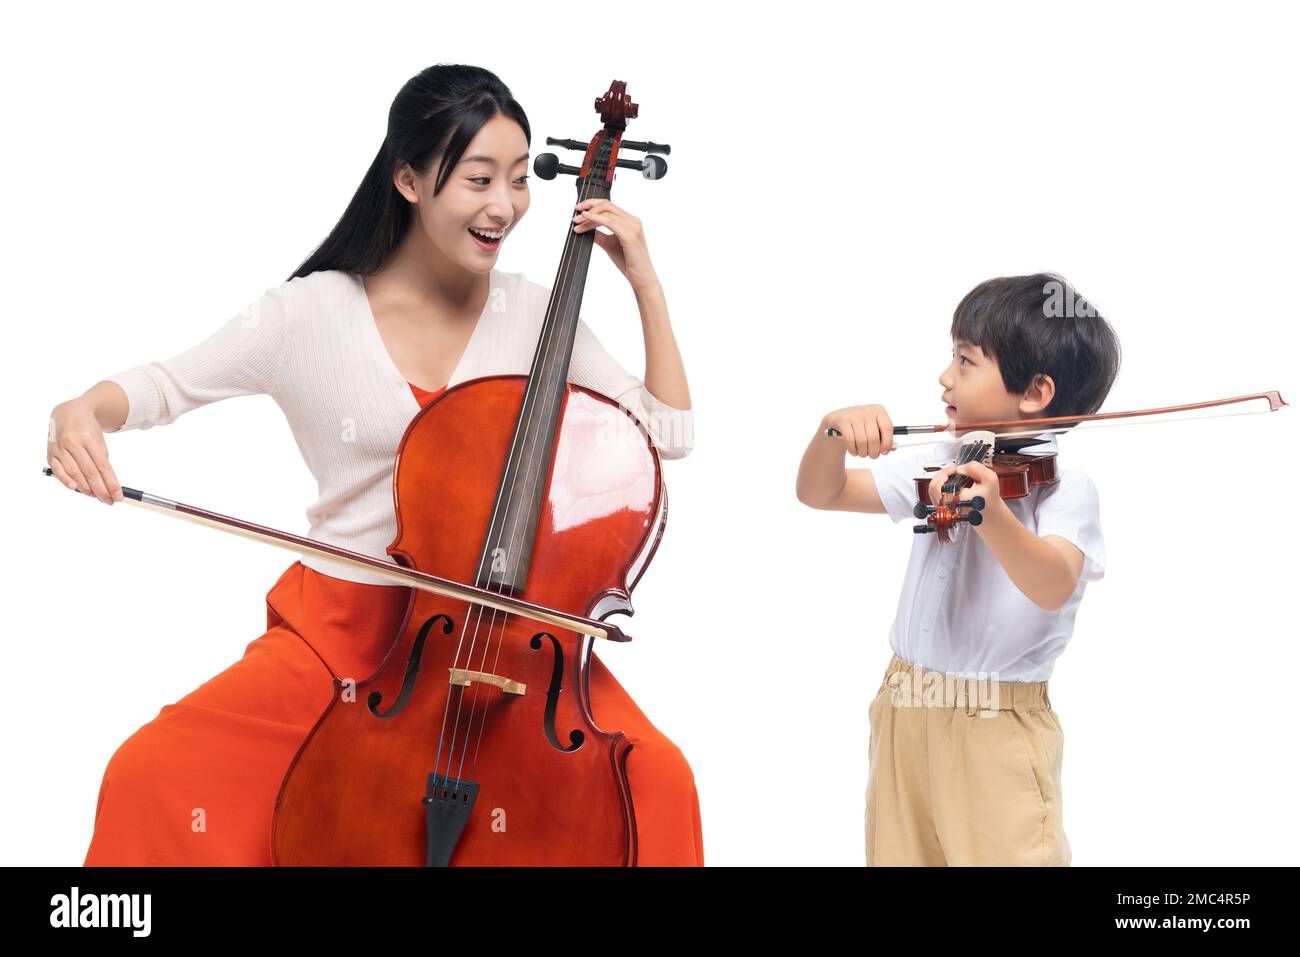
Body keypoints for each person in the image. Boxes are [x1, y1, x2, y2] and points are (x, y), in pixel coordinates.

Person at [46, 63, 701, 866]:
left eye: (523, 180)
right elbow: (163, 386)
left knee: (658, 780)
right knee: (152, 773)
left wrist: (645, 284)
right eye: (479, 178)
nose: (506, 205)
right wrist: (79, 410)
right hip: (340, 635)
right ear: (409, 179)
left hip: (509, 643)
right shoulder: (312, 312)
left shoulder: (533, 313)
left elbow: (666, 432)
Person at [795, 273, 1120, 866]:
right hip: (904, 705)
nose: (946, 377)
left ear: (1035, 392)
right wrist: (831, 433)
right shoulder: (946, 461)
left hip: (994, 724)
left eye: (966, 361)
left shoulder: (1066, 490)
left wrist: (992, 513)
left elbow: (1051, 585)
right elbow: (823, 492)